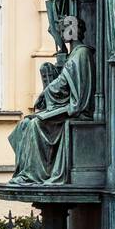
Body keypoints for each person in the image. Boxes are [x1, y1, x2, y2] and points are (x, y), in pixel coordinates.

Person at [7, 21, 95, 186]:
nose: (61, 33)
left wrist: (49, 91)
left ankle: (35, 175)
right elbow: (64, 82)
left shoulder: (82, 53)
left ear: (72, 30)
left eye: (64, 29)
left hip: (74, 109)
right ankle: (26, 172)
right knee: (24, 124)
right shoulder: (74, 54)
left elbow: (73, 88)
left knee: (35, 125)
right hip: (63, 106)